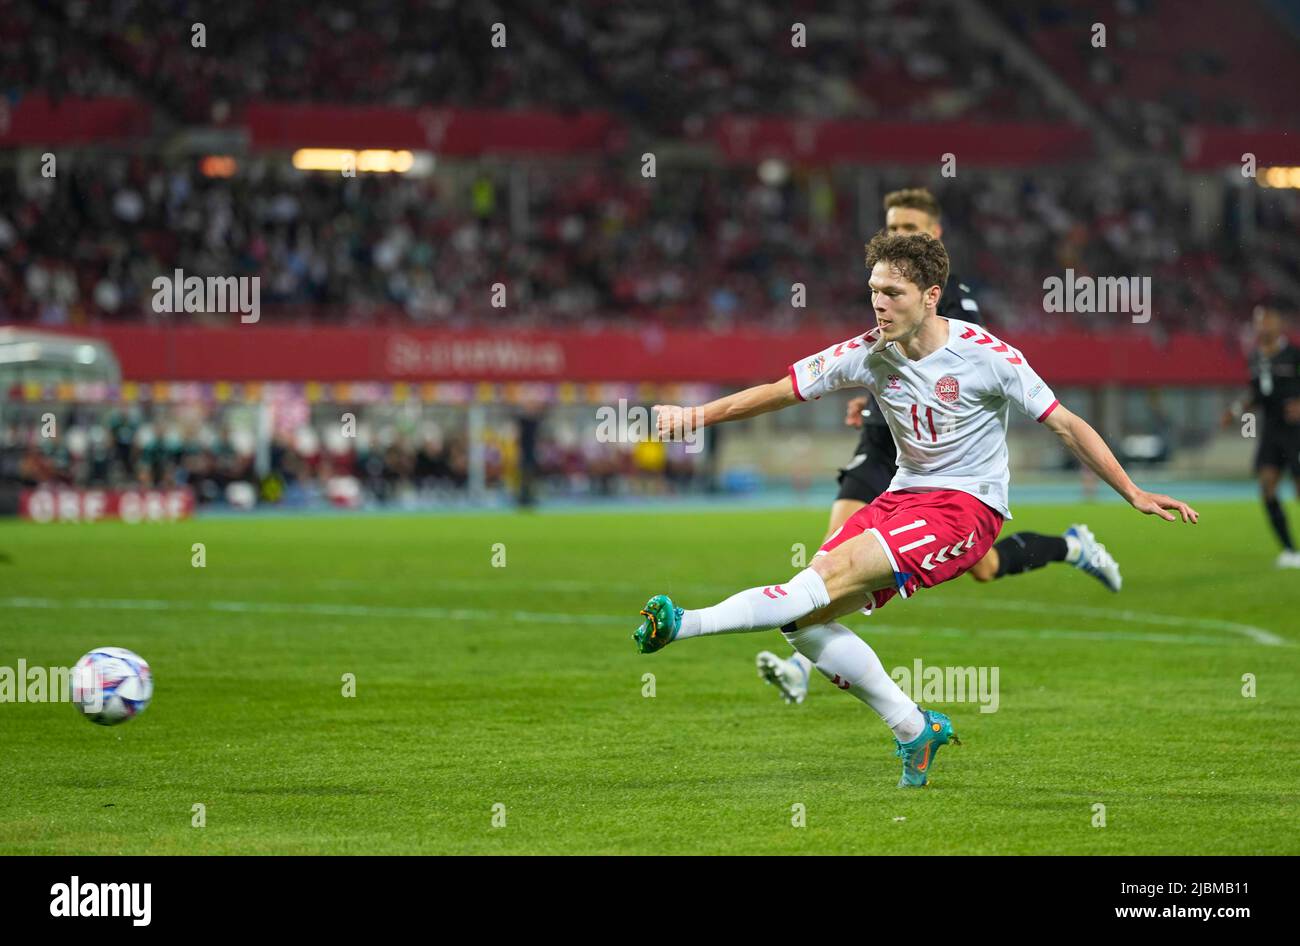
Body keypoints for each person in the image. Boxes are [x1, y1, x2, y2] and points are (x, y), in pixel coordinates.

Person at [634, 232, 1198, 787]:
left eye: (894, 293)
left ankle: (683, 624)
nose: (879, 303)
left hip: (966, 508)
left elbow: (1065, 423)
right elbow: (782, 390)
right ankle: (913, 728)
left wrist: (1133, 492)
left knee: (819, 580)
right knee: (803, 621)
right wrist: (697, 416)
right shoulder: (867, 353)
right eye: (874, 290)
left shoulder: (988, 357)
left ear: (931, 296)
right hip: (902, 497)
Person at [760, 188, 1120, 705]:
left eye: (909, 229)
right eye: (891, 228)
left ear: (934, 236)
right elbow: (872, 360)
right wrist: (868, 400)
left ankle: (1071, 546)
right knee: (836, 547)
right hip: (885, 443)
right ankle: (801, 659)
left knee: (984, 567)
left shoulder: (950, 298)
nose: (897, 237)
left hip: (944, 460)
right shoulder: (884, 285)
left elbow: (959, 371)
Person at [1227, 303, 1300, 567]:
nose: (1262, 325)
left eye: (1267, 320)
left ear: (1279, 323)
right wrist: (1235, 411)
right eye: (1259, 321)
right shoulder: (1255, 357)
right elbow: (1255, 394)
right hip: (1271, 430)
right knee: (1267, 486)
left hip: (1296, 431)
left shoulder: (1293, 354)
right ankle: (1291, 551)